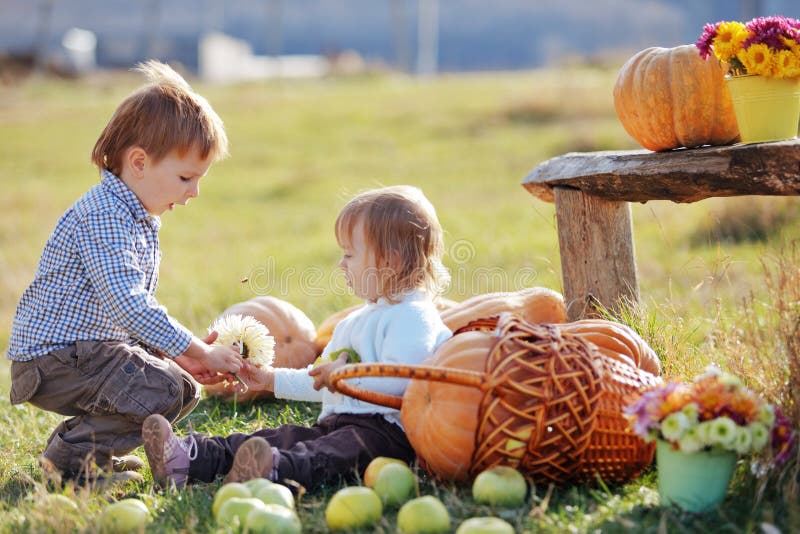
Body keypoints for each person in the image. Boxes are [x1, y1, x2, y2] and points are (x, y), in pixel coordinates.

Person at [6, 60, 243, 484]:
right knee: (164, 389)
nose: (195, 192)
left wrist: (182, 355)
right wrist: (196, 349)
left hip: (84, 353)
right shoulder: (105, 216)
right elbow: (129, 304)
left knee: (182, 385)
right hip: (54, 361)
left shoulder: (132, 215)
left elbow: (125, 318)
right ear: (138, 162)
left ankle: (88, 455)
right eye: (186, 177)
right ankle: (69, 466)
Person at [142, 185, 453, 491]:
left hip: (389, 435)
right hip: (340, 422)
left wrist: (343, 377)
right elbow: (318, 378)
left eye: (349, 254)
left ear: (390, 262)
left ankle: (274, 471)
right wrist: (269, 379)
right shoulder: (355, 322)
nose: (341, 264)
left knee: (326, 455)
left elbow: (405, 382)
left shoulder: (415, 317)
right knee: (281, 438)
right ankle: (191, 458)